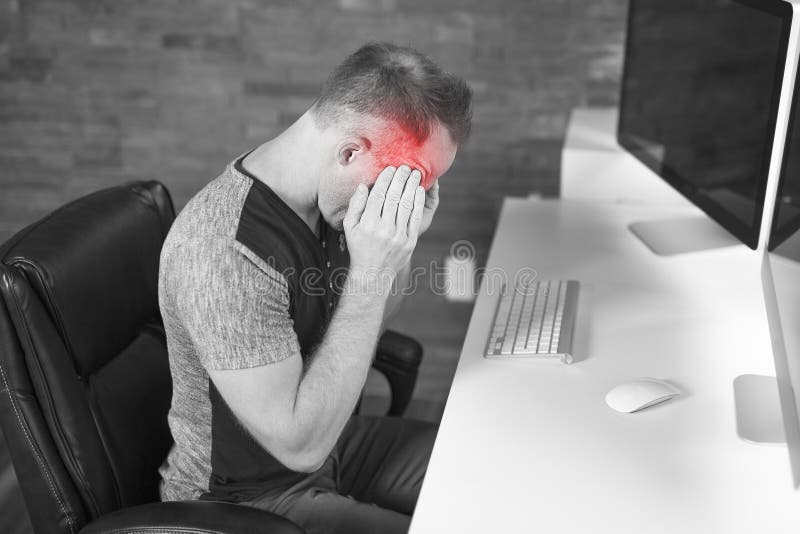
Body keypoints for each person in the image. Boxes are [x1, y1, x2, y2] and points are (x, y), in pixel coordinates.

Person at [157, 41, 472, 534]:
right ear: (350, 152)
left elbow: (372, 318)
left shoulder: (335, 193)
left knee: (492, 480)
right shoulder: (221, 250)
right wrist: (370, 272)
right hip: (246, 498)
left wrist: (399, 246)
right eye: (411, 181)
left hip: (336, 437)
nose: (408, 199)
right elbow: (299, 446)